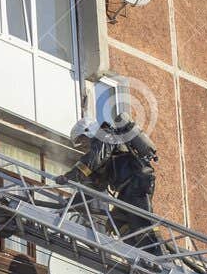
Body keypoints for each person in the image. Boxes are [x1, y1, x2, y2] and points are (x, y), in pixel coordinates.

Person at [60, 106, 160, 251]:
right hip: (127, 188)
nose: (83, 147)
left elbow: (93, 160)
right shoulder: (107, 150)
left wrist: (69, 176)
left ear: (88, 132)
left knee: (142, 223)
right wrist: (69, 205)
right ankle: (139, 256)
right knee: (119, 222)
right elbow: (95, 185)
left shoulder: (105, 137)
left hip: (136, 183)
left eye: (82, 141)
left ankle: (159, 258)